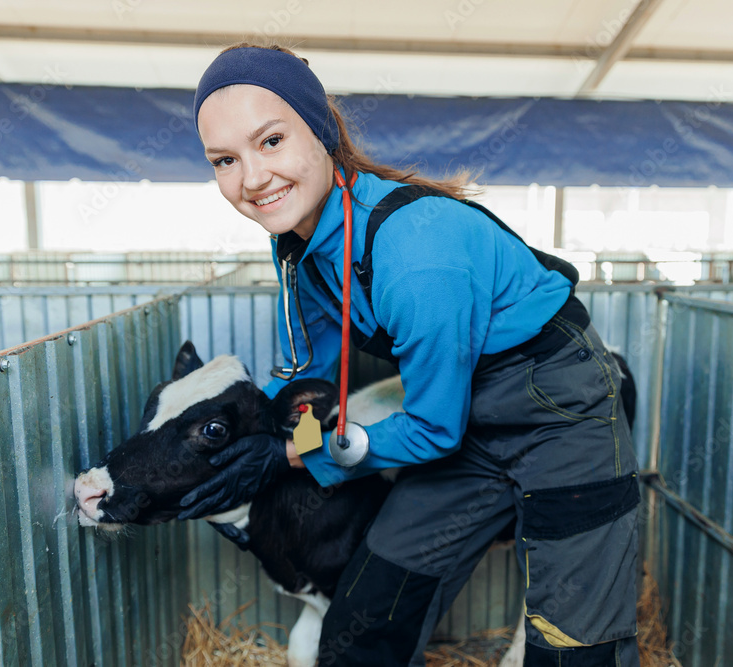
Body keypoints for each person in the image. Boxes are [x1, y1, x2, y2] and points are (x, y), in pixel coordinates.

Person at [177, 43, 641, 667]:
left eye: (271, 141)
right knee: (363, 625)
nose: (252, 178)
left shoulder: (415, 252)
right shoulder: (299, 246)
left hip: (556, 413)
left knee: (575, 650)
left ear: (321, 130)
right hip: (462, 414)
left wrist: (293, 456)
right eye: (225, 160)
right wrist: (278, 430)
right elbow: (319, 378)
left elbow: (432, 429)